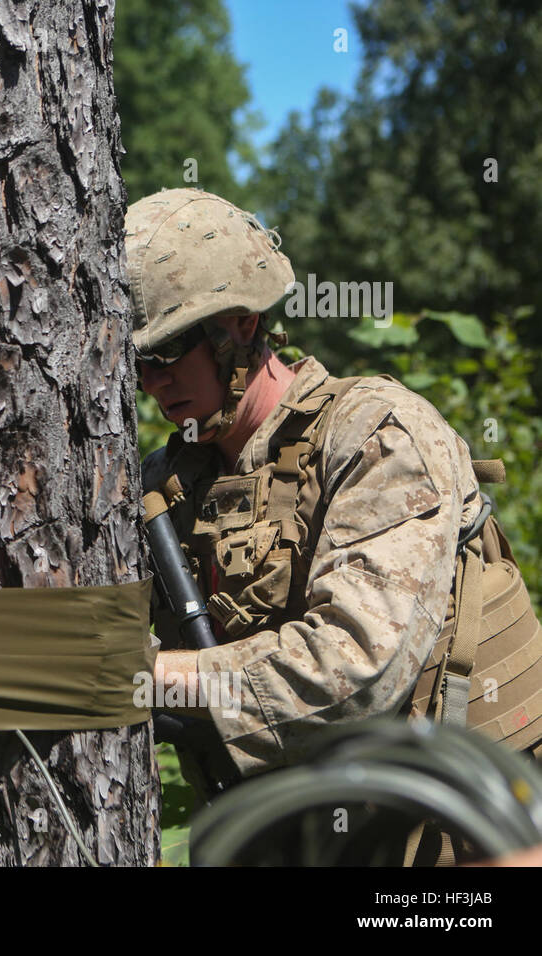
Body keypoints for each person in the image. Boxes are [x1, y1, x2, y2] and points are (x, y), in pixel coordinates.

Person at [127, 188, 542, 815]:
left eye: (168, 352)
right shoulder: (171, 479)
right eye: (135, 363)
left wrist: (142, 680)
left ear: (243, 324)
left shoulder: (376, 435)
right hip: (309, 823)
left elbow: (355, 672)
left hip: (461, 828)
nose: (152, 381)